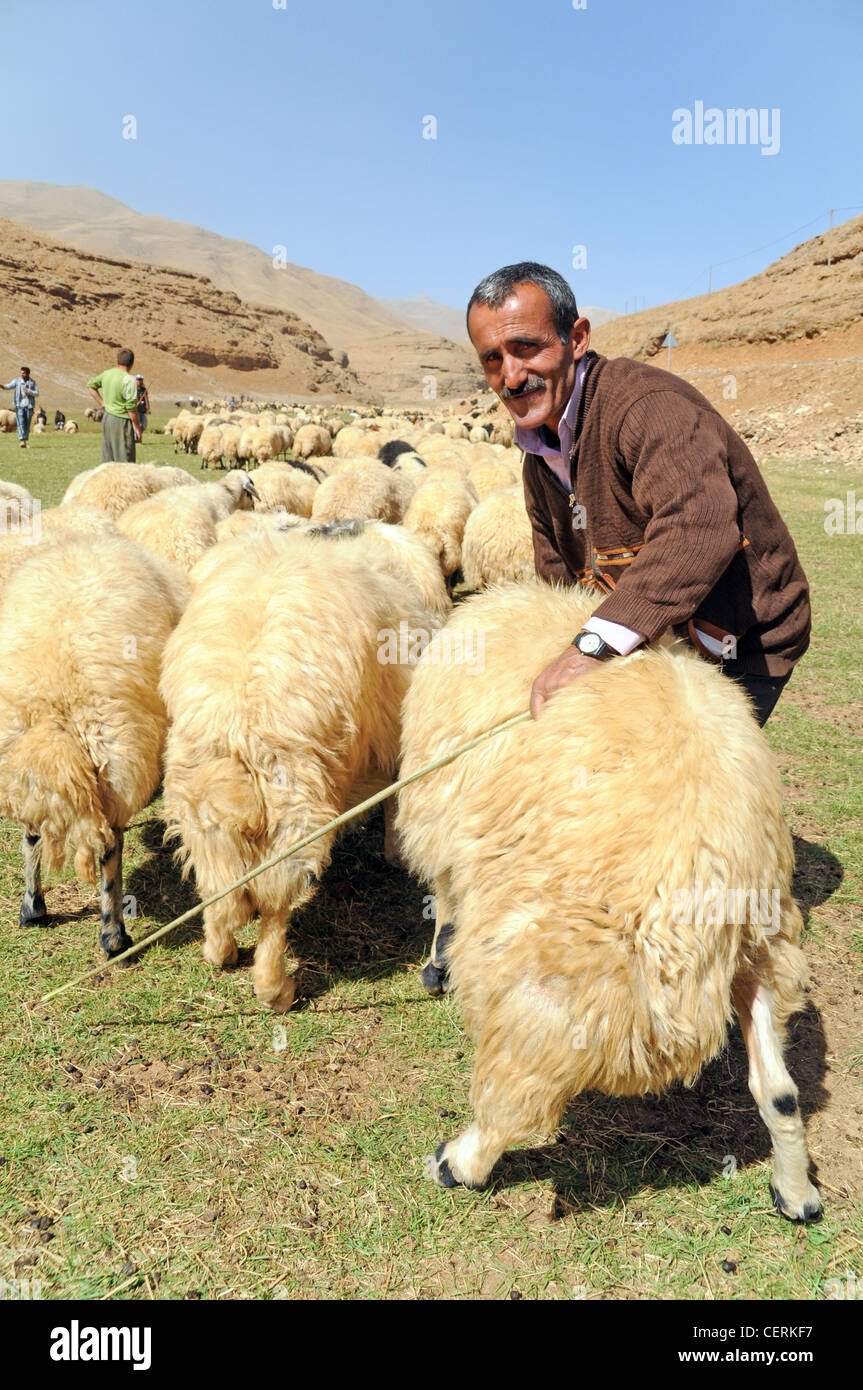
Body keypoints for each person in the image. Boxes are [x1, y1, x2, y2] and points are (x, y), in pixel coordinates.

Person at [466, 262, 810, 727]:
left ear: (578, 338)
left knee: (687, 783)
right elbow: (557, 574)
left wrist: (592, 646)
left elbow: (698, 526)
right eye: (492, 358)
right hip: (648, 636)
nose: (510, 376)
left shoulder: (646, 407)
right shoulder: (538, 454)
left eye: (526, 347)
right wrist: (556, 643)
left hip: (739, 637)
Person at [86, 348, 141, 462]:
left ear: (117, 361)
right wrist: (137, 428)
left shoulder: (107, 374)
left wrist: (102, 403)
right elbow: (131, 409)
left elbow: (90, 386)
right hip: (122, 422)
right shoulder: (130, 380)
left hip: (107, 419)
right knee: (124, 460)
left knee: (108, 458)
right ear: (132, 364)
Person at [2, 366, 38, 448]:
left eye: (24, 373)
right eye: (21, 373)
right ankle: (22, 440)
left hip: (29, 406)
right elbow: (9, 386)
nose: (22, 374)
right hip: (19, 406)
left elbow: (36, 393)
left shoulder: (32, 382)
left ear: (28, 373)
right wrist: (2, 386)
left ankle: (24, 440)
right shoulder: (17, 381)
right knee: (20, 423)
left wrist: (28, 391)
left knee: (27, 424)